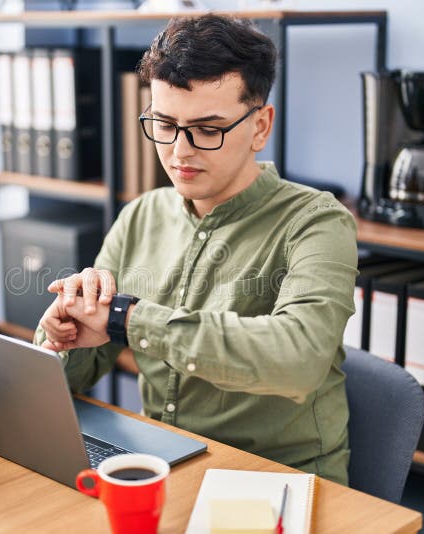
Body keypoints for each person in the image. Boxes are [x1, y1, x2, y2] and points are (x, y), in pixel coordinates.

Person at [34, 13, 357, 485]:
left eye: (208, 130)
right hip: (166, 467)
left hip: (278, 481)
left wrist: (127, 317)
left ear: (260, 126)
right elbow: (68, 381)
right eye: (164, 124)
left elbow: (299, 358)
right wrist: (62, 337)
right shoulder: (142, 215)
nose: (180, 152)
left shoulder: (317, 222)